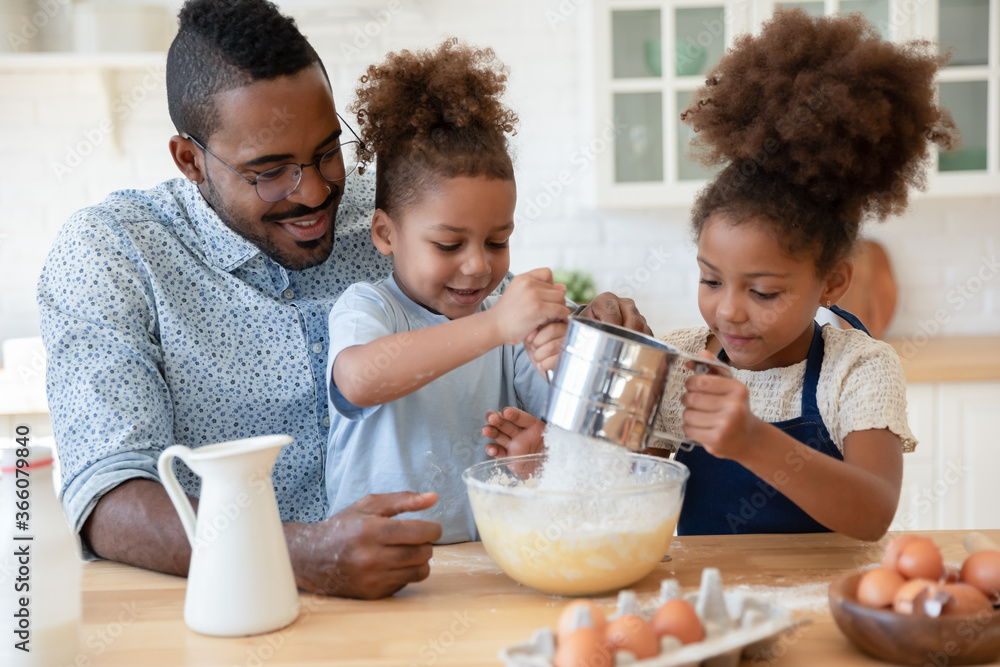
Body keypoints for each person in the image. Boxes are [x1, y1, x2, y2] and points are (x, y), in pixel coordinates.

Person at [35, 0, 648, 599]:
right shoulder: (113, 253)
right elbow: (107, 498)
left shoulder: (394, 221)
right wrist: (302, 555)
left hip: (442, 587)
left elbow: (503, 316)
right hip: (225, 604)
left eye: (328, 151)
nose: (315, 192)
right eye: (270, 171)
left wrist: (597, 344)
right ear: (191, 160)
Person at [483, 9, 958, 542]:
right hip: (707, 608)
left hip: (819, 605)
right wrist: (543, 459)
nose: (729, 309)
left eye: (762, 291)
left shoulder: (857, 370)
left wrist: (752, 440)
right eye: (711, 281)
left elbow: (873, 513)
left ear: (832, 283)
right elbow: (632, 483)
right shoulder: (685, 356)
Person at [324, 40, 570, 543]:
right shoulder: (369, 307)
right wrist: (497, 325)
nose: (478, 265)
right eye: (449, 243)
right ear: (385, 234)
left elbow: (571, 428)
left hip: (484, 568)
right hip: (372, 568)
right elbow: (358, 380)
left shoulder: (509, 320)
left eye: (498, 240)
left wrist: (542, 441)